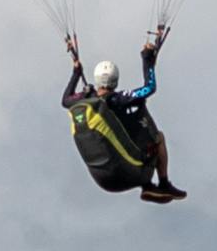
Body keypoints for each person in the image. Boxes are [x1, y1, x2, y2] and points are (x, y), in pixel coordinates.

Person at [63, 23, 183, 203]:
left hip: (102, 177)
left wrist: (75, 73)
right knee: (158, 137)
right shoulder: (118, 99)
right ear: (115, 81)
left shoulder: (86, 99)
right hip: (128, 171)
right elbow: (149, 88)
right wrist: (147, 61)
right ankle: (163, 183)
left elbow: (65, 101)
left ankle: (149, 187)